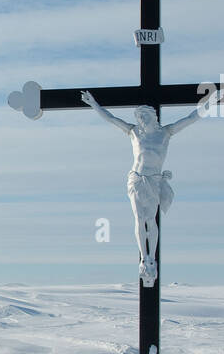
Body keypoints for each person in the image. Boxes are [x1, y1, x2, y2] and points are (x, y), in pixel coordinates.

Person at [79, 89, 215, 287]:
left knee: (150, 219)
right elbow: (111, 119)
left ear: (153, 116)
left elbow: (191, 118)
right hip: (136, 179)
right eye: (139, 116)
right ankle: (144, 257)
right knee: (139, 218)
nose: (141, 119)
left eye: (144, 116)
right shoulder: (133, 132)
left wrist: (210, 103)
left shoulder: (166, 133)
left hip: (153, 181)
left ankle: (152, 257)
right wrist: (94, 104)